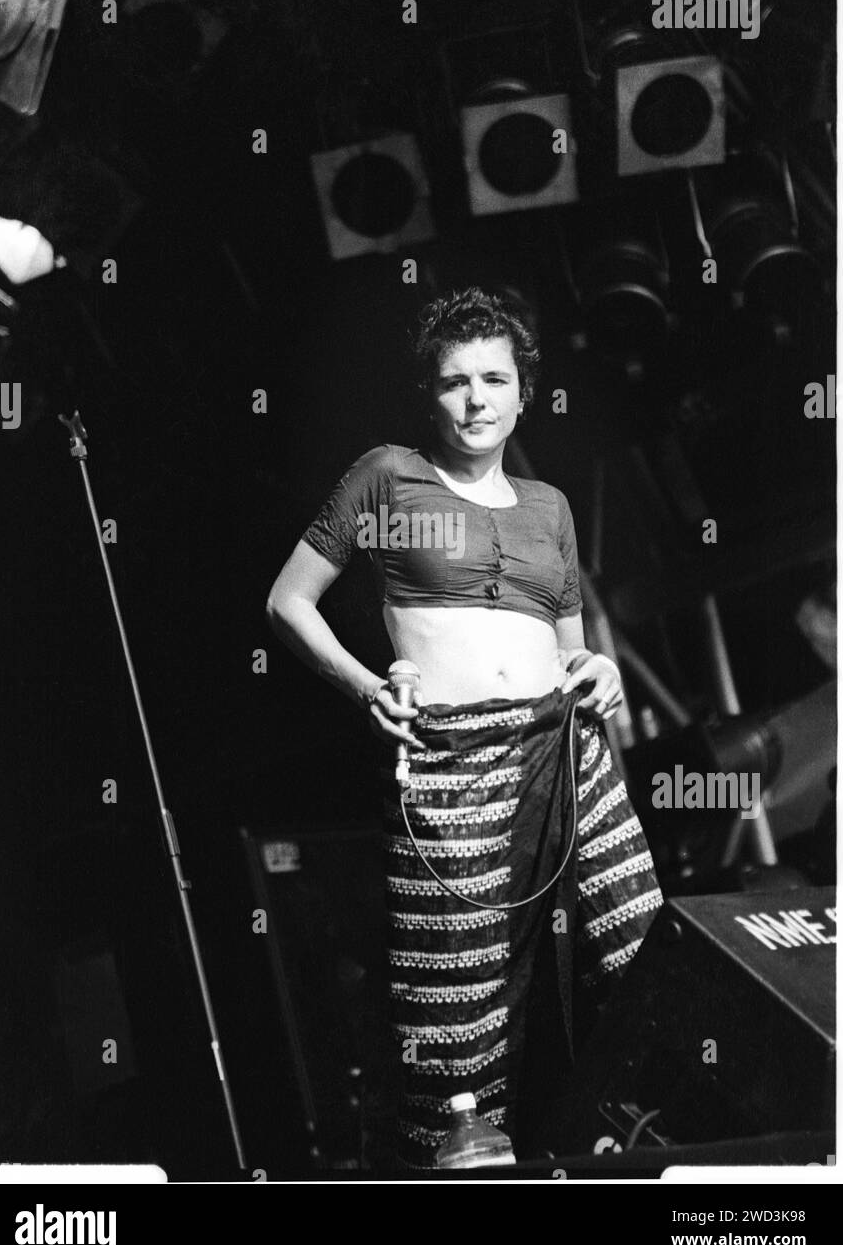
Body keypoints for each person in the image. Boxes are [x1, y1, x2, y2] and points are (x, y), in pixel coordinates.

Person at [266, 287, 663, 1170]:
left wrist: (594, 668)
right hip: (450, 764)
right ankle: (465, 1134)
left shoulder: (547, 505)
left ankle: (633, 1122)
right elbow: (287, 601)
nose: (476, 400)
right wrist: (367, 686)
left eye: (494, 379)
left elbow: (571, 652)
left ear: (523, 391)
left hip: (563, 748)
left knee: (636, 936)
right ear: (428, 395)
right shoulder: (385, 475)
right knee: (455, 971)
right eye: (454, 383)